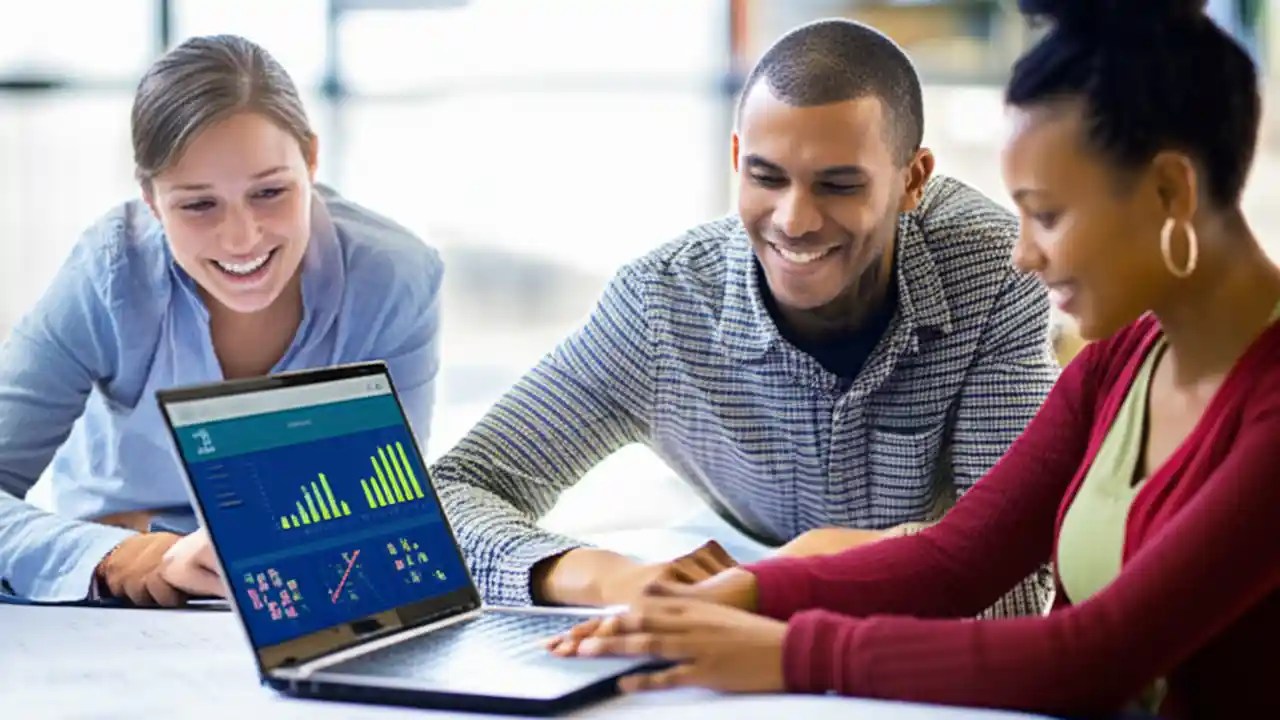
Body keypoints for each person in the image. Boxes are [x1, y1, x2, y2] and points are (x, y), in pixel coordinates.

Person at [548, 1, 1279, 717]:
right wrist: (730, 594)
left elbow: (1090, 658)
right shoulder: (1120, 364)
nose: (1024, 256)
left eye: (1048, 215)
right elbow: (957, 561)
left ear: (1170, 190)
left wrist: (787, 651)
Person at [431, 18, 1059, 615]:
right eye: (767, 177)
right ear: (737, 158)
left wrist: (810, 575)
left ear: (913, 179)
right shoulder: (664, 307)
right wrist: (605, 576)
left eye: (839, 185)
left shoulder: (995, 276)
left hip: (899, 646)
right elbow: (455, 493)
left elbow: (1015, 581)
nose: (795, 220)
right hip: (735, 610)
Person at [0, 35, 443, 607]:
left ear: (310, 160)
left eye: (270, 192)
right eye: (198, 204)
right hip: (125, 597)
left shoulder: (394, 277)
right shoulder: (110, 274)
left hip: (312, 595)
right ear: (151, 199)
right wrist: (114, 556)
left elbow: (389, 515)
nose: (242, 238)